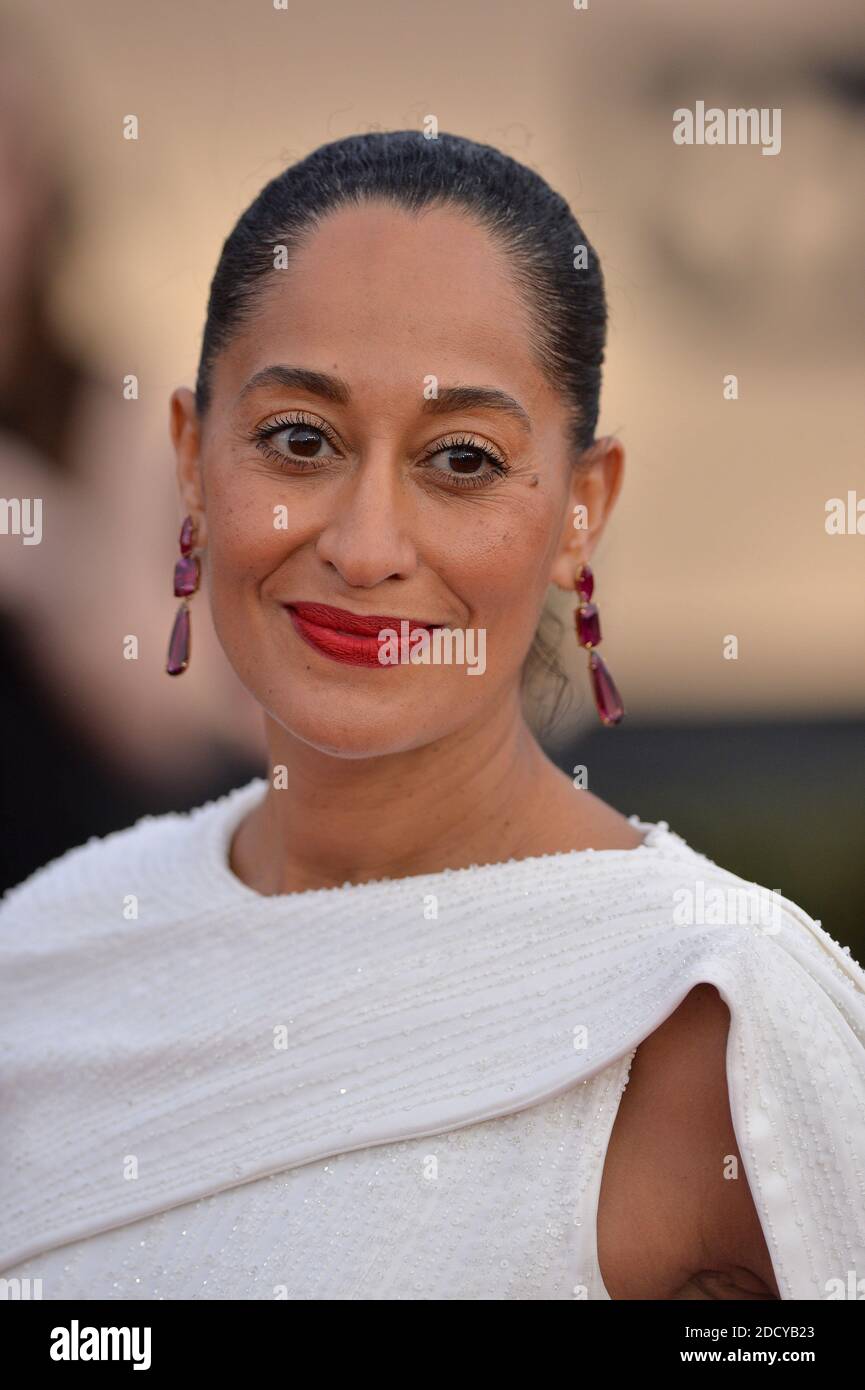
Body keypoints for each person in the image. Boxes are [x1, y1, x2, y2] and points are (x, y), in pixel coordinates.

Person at [2, 130, 863, 1301]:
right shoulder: (47, 957)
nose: (363, 548)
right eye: (298, 440)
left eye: (461, 458)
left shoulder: (706, 1012)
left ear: (579, 510)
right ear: (192, 468)